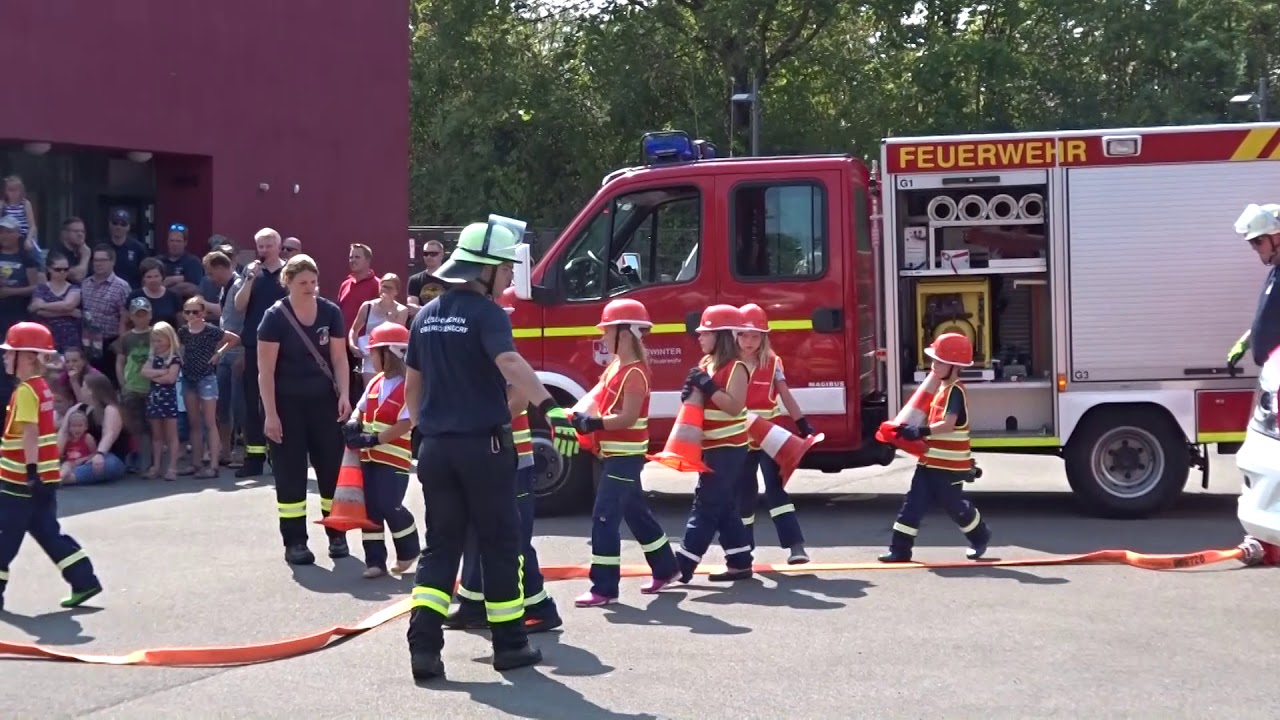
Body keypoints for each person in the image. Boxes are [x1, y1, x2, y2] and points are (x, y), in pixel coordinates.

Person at [403, 219, 579, 680]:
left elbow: (412, 388)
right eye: (504, 270)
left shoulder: (425, 315)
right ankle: (511, 646)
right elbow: (507, 361)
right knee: (501, 544)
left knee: (440, 546)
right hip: (485, 447)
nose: (506, 280)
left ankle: (424, 649)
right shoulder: (487, 315)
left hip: (436, 450)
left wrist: (428, 431)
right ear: (484, 269)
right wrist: (550, 408)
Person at [445, 293, 561, 632]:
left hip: (514, 458)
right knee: (475, 532)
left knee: (514, 536)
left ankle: (539, 606)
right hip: (486, 455)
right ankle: (472, 603)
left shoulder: (507, 353)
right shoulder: (483, 349)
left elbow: (520, 399)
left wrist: (476, 418)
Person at [568, 298, 680, 607]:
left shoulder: (634, 374)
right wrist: (576, 415)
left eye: (607, 331)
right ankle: (667, 568)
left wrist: (593, 423)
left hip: (624, 457)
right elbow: (599, 398)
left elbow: (628, 417)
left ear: (625, 333)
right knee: (636, 513)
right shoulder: (618, 366)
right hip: (615, 454)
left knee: (604, 518)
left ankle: (604, 588)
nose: (602, 337)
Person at [0, 322, 102, 612]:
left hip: (21, 482)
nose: (6, 357)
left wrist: (30, 472)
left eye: (11, 353)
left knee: (4, 536)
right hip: (44, 479)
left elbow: (30, 433)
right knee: (47, 531)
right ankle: (84, 581)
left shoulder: (25, 392)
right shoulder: (41, 388)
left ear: (29, 357)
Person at [257, 253, 351, 565]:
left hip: (324, 403)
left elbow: (339, 358)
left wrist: (345, 396)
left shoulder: (330, 312)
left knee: (331, 471)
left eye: (313, 281)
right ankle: (295, 541)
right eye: (303, 283)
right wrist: (270, 414)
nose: (310, 287)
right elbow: (265, 372)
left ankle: (337, 534)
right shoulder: (274, 317)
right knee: (291, 473)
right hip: (286, 406)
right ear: (288, 283)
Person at [879, 333, 992, 563]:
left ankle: (980, 535)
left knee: (954, 506)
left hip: (950, 466)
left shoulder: (955, 392)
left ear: (953, 366)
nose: (934, 365)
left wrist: (920, 432)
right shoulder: (941, 389)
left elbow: (949, 424)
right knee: (912, 504)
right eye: (934, 360)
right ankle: (900, 549)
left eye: (939, 361)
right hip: (930, 461)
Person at [673, 304, 755, 583]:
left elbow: (734, 407)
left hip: (729, 448)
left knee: (706, 505)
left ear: (721, 336)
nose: (699, 337)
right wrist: (689, 394)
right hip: (710, 447)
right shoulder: (706, 365)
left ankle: (682, 565)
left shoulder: (737, 368)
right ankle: (740, 561)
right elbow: (697, 407)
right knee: (724, 506)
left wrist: (707, 386)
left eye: (705, 333)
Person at [734, 303, 813, 564]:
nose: (749, 341)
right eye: (744, 335)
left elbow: (785, 394)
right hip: (740, 437)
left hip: (769, 437)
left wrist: (802, 423)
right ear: (735, 335)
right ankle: (744, 550)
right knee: (744, 493)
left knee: (776, 490)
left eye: (755, 336)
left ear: (764, 337)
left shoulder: (773, 361)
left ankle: (796, 546)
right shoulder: (728, 363)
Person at [344, 323, 420, 578]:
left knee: (390, 505)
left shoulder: (409, 385)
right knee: (371, 509)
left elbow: (406, 422)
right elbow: (361, 407)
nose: (370, 357)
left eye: (374, 352)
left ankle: (409, 550)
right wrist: (354, 422)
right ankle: (375, 561)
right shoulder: (376, 382)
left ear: (389, 353)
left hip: (394, 459)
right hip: (369, 456)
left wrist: (375, 439)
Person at [233, 228, 289, 478]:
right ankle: (254, 457)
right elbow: (239, 305)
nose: (264, 250)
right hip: (254, 345)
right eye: (261, 246)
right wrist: (249, 279)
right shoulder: (251, 273)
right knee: (252, 403)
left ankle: (279, 455)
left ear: (278, 246)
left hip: (284, 346)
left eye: (269, 246)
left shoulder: (290, 272)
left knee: (280, 401)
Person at [179, 296, 238, 477]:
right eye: (187, 312)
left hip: (206, 378)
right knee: (194, 423)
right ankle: (196, 464)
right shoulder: (183, 331)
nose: (191, 315)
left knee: (210, 422)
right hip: (189, 378)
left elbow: (234, 338)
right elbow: (180, 348)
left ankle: (213, 466)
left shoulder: (210, 330)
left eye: (195, 312)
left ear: (203, 313)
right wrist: (181, 360)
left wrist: (218, 353)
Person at [1228, 203, 1280, 372]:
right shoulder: (1275, 275)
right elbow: (1271, 318)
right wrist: (1246, 341)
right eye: (1251, 242)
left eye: (1258, 240)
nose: (1254, 247)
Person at [80, 244, 132, 383]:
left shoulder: (122, 287)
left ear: (112, 262)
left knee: (111, 385)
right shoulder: (85, 284)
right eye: (96, 260)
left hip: (110, 343)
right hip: (88, 344)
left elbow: (127, 318)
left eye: (103, 260)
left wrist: (121, 343)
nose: (98, 264)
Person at [348, 273, 410, 387]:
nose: (385, 290)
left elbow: (395, 334)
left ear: (396, 291)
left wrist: (387, 314)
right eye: (383, 286)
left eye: (389, 287)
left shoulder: (401, 310)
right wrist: (352, 345)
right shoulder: (367, 306)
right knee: (371, 390)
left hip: (392, 359)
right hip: (370, 356)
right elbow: (354, 330)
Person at [68, 373, 130, 485]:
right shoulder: (78, 408)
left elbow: (109, 434)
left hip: (110, 456)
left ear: (91, 390)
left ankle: (67, 478)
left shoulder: (111, 409)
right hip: (82, 455)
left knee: (108, 465)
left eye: (83, 386)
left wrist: (100, 454)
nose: (81, 389)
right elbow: (63, 433)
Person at [115, 297, 153, 470]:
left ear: (150, 315)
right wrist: (123, 383)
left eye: (144, 314)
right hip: (132, 385)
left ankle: (153, 460)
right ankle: (141, 459)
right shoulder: (127, 338)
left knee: (153, 424)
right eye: (138, 315)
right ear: (131, 316)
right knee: (136, 425)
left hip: (153, 385)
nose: (141, 318)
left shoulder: (157, 334)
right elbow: (120, 361)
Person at [141, 322, 182, 481]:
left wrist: (156, 376)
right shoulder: (153, 357)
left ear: (169, 339)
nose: (157, 344)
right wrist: (161, 372)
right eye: (154, 341)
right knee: (156, 436)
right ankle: (156, 466)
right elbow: (144, 372)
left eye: (160, 340)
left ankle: (172, 467)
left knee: (171, 435)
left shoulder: (174, 358)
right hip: (154, 400)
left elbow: (170, 378)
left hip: (169, 400)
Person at [30, 251, 82, 352]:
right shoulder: (41, 288)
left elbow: (68, 305)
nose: (62, 272)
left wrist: (42, 305)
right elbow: (39, 312)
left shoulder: (74, 288)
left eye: (66, 269)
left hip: (70, 338)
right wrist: (68, 313)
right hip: (46, 336)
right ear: (49, 269)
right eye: (58, 269)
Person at [125, 259, 183, 330]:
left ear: (162, 277)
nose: (153, 280)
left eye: (156, 276)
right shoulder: (134, 296)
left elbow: (181, 324)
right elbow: (124, 323)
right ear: (143, 278)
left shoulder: (174, 296)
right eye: (149, 277)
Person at [105, 209, 148, 288]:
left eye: (123, 224)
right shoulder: (102, 247)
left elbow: (145, 275)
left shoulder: (138, 248)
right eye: (115, 223)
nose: (118, 227)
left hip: (131, 292)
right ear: (109, 224)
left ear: (128, 227)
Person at [406, 239, 447, 315]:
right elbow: (412, 308)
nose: (429, 257)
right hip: (423, 324)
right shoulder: (415, 280)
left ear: (442, 255)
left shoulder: (451, 280)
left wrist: (421, 309)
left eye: (433, 254)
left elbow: (453, 307)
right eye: (426, 253)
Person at [2, 175, 39, 258]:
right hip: (7, 236)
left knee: (33, 253)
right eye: (10, 190)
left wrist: (29, 239)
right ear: (6, 191)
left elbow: (32, 226)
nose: (13, 193)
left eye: (16, 190)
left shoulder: (25, 204)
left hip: (23, 235)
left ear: (21, 191)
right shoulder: (2, 205)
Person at [59, 408, 97, 484]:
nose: (77, 429)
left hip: (84, 463)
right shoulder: (67, 438)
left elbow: (94, 454)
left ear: (86, 427)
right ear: (69, 427)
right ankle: (59, 478)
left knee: (67, 467)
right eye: (73, 426)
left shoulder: (87, 438)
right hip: (69, 463)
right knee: (66, 466)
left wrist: (82, 459)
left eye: (80, 426)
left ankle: (58, 479)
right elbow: (60, 455)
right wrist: (63, 438)